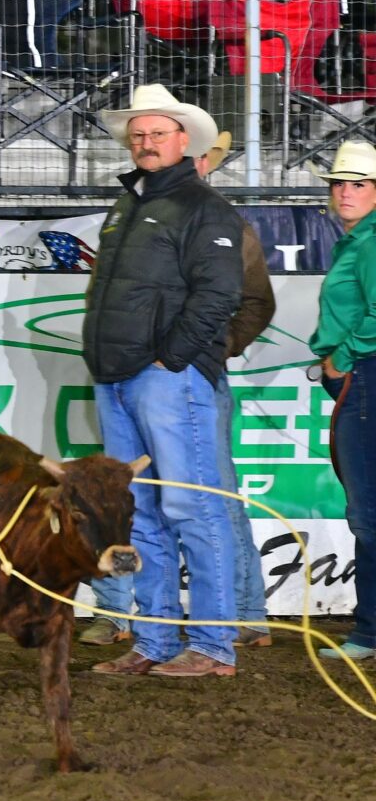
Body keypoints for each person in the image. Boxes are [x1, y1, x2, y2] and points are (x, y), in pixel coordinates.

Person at [80, 130, 277, 650]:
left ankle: (231, 624)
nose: (148, 145)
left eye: (159, 137)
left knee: (203, 502)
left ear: (188, 151)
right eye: (139, 135)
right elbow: (105, 287)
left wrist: (189, 355)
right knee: (146, 507)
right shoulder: (128, 210)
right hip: (133, 370)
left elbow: (243, 299)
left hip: (177, 373)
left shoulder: (215, 216)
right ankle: (153, 632)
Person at [308, 141, 376, 661]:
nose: (345, 192)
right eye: (339, 183)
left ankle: (370, 631)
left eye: (358, 183)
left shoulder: (370, 243)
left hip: (366, 380)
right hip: (361, 380)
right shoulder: (357, 242)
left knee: (368, 513)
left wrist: (342, 357)